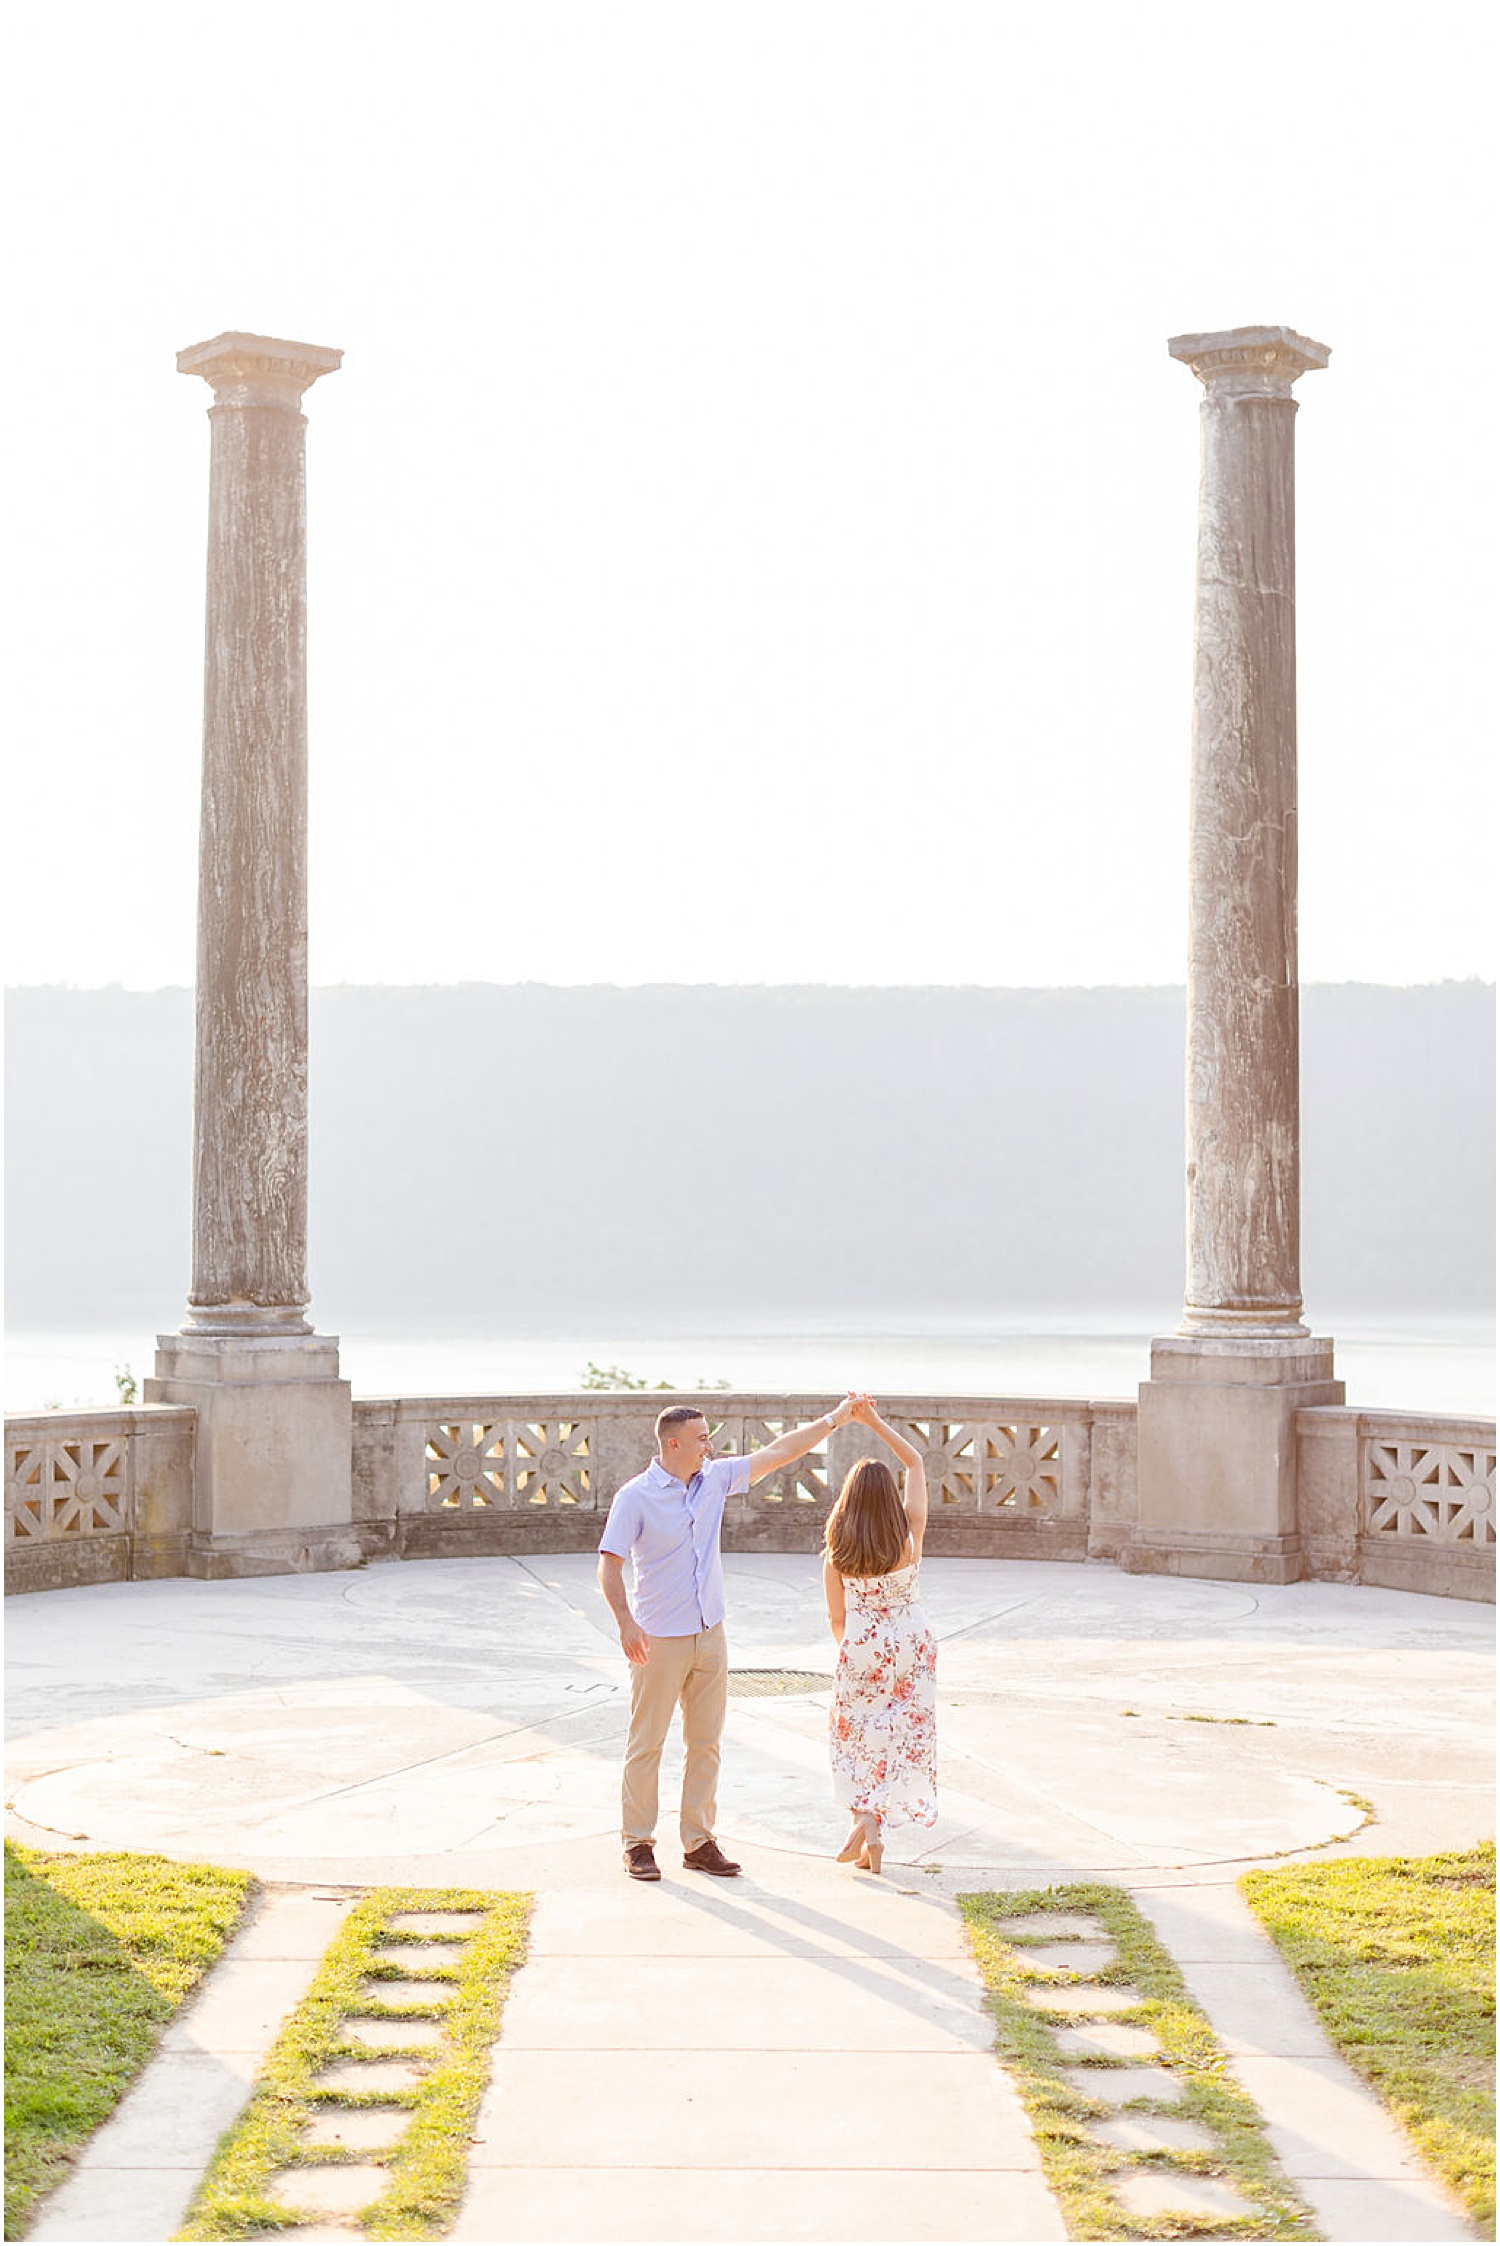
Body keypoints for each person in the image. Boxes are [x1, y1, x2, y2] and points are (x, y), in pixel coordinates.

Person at [599, 1395, 858, 1881]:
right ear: (673, 1444)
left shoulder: (715, 1479)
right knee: (647, 1744)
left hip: (710, 1635)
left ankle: (699, 1841)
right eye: (701, 1439)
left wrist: (835, 1419)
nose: (709, 1446)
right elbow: (608, 1564)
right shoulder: (635, 1497)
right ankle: (637, 1843)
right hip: (656, 1640)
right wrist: (625, 1622)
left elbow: (779, 1453)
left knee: (706, 1744)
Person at [823, 1394, 937, 1873]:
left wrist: (854, 1656)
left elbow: (836, 1618)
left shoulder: (835, 1551)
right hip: (912, 1642)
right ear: (890, 1496)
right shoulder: (909, 1536)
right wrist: (873, 1421)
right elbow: (914, 1459)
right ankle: (875, 1829)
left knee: (853, 1736)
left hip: (863, 1644)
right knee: (902, 1731)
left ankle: (865, 1821)